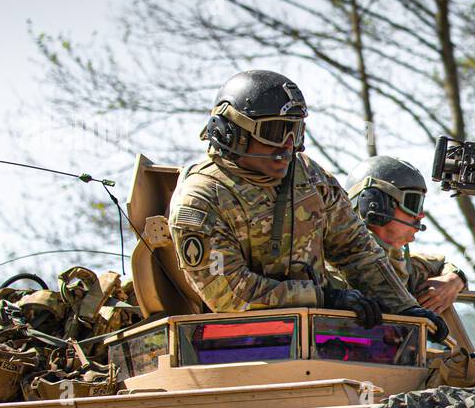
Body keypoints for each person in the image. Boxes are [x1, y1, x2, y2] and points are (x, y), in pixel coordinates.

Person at [167, 70, 448, 340]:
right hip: (240, 346)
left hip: (320, 338)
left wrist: (405, 308)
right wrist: (324, 298)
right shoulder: (201, 199)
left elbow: (357, 251)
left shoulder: (309, 177)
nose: (289, 145)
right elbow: (231, 296)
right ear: (230, 132)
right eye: (275, 132)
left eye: (296, 131)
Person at [345, 156, 467, 315]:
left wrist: (454, 280)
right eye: (413, 203)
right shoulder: (336, 263)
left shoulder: (402, 263)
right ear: (375, 203)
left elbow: (441, 265)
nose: (420, 215)